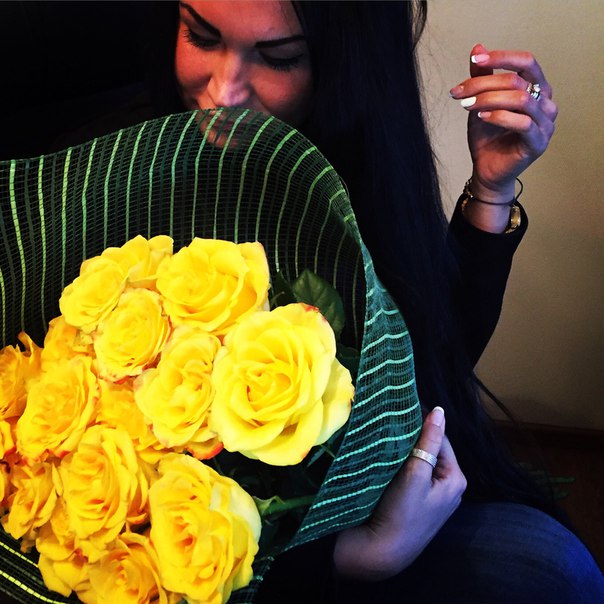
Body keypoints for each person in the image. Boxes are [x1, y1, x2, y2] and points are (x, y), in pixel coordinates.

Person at [4, 1, 603, 602]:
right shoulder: (106, 173)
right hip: (214, 566)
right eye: (201, 37)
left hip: (357, 499)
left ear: (341, 63)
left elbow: (427, 367)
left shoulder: (354, 165)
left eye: (279, 58)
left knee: (553, 567)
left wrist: (492, 189)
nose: (224, 91)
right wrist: (355, 557)